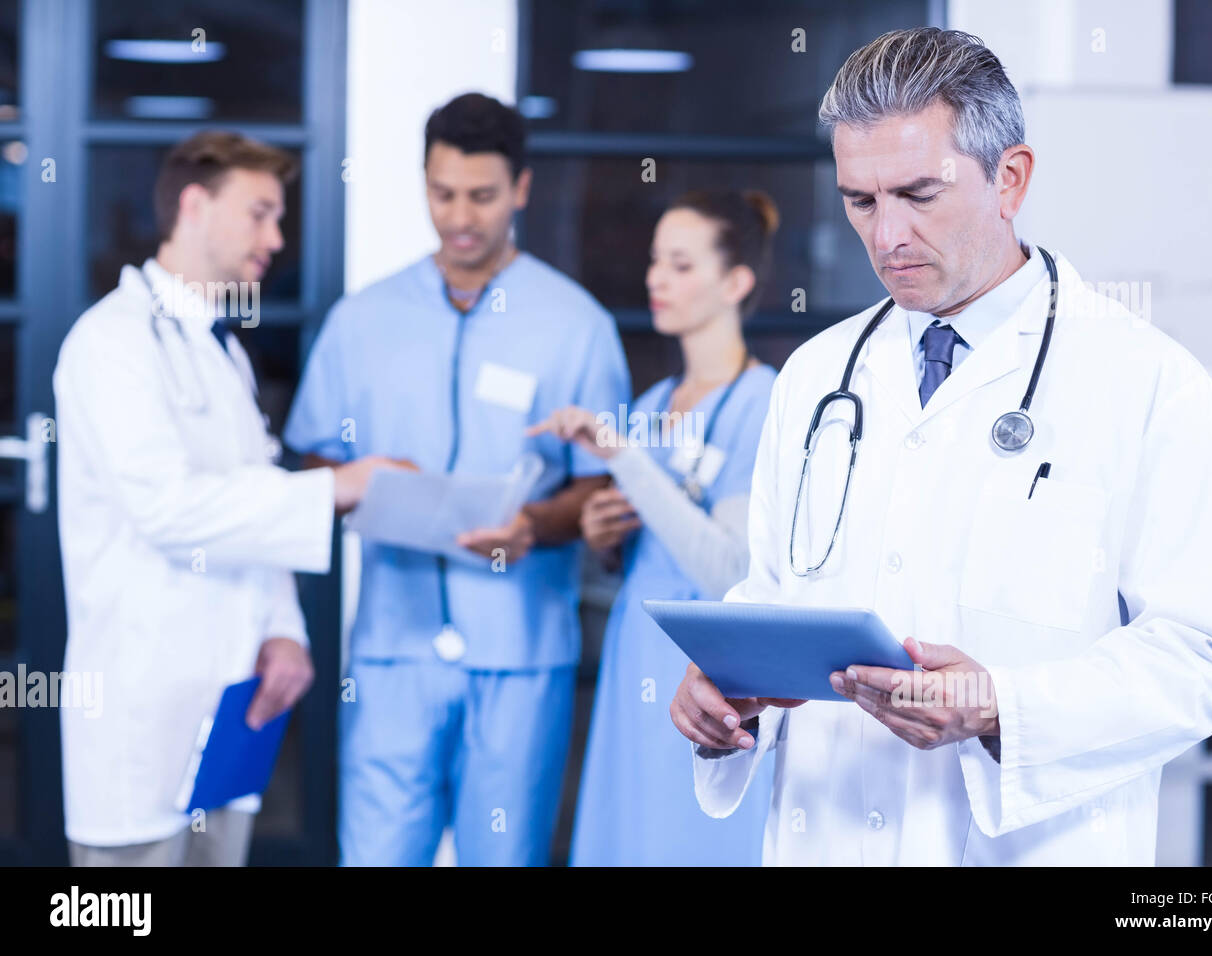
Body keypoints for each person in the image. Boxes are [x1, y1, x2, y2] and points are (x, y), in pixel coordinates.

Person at [670, 27, 1212, 866]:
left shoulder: (1147, 381)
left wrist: (1000, 708)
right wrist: (726, 699)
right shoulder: (816, 376)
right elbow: (773, 590)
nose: (887, 236)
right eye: (861, 201)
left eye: (918, 193)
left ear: (1009, 177)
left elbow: (1199, 659)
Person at [283, 93, 630, 867]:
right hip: (392, 654)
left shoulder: (574, 325)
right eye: (442, 194)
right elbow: (311, 459)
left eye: (482, 195)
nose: (460, 217)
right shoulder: (363, 319)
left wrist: (534, 528)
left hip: (520, 654)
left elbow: (602, 487)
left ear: (522, 189)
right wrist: (360, 479)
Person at [54, 131, 404, 866]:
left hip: (230, 705)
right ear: (194, 205)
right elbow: (170, 510)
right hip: (141, 709)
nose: (276, 238)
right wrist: (338, 487)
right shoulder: (110, 341)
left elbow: (254, 504)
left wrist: (285, 629)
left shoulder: (226, 350)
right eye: (261, 213)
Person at [532, 190, 780, 866]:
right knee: (630, 832)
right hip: (635, 659)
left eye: (679, 265)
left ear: (736, 283)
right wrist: (604, 534)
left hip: (710, 671)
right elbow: (635, 554)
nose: (655, 280)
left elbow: (728, 569)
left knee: (697, 836)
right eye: (653, 263)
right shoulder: (648, 407)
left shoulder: (767, 406)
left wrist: (625, 460)